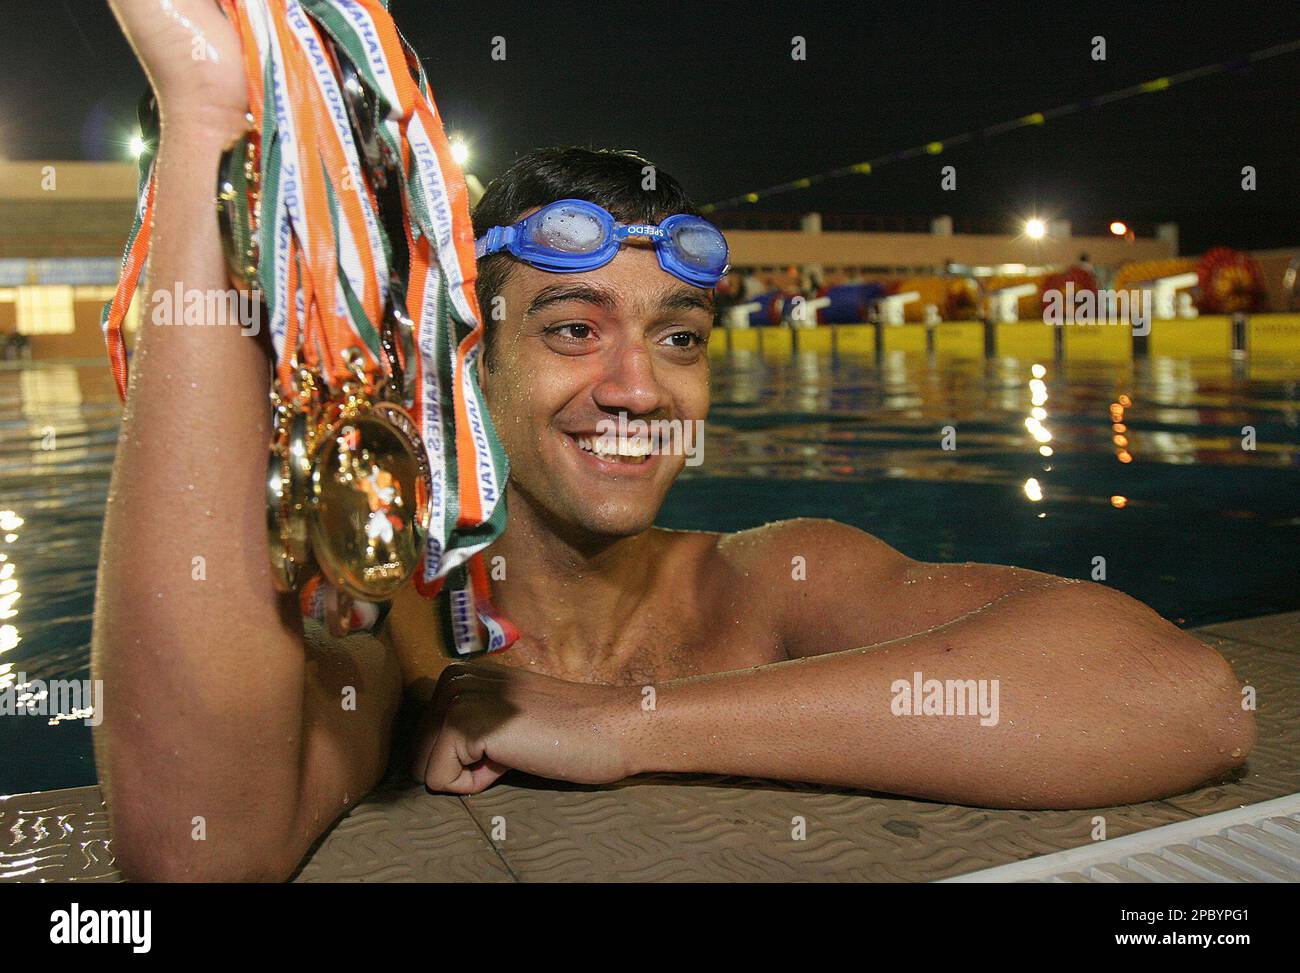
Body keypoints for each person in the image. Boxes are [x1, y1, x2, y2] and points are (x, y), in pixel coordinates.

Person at [94, 0, 1253, 882]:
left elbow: (1185, 699)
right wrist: (207, 120)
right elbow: (196, 845)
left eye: (680, 336)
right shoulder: (403, 632)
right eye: (572, 327)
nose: (637, 385)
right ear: (471, 364)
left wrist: (625, 726)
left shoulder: (764, 580)